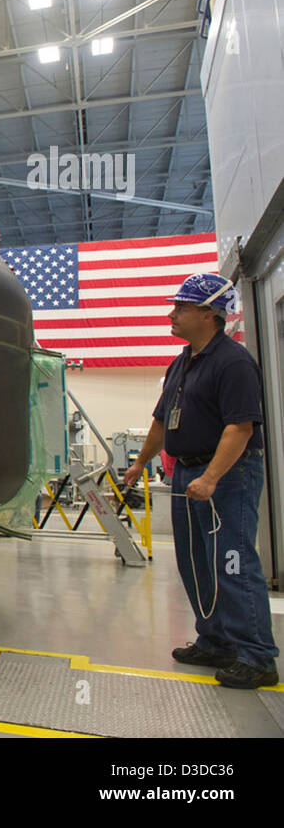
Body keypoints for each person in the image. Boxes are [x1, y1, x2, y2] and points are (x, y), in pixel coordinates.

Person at [123, 272, 277, 689]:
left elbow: (240, 428)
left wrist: (211, 477)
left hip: (227, 475)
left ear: (210, 315)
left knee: (233, 564)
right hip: (188, 473)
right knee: (194, 564)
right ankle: (216, 642)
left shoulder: (233, 362)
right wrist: (140, 464)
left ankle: (258, 656)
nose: (172, 314)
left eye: (182, 308)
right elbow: (161, 421)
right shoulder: (184, 361)